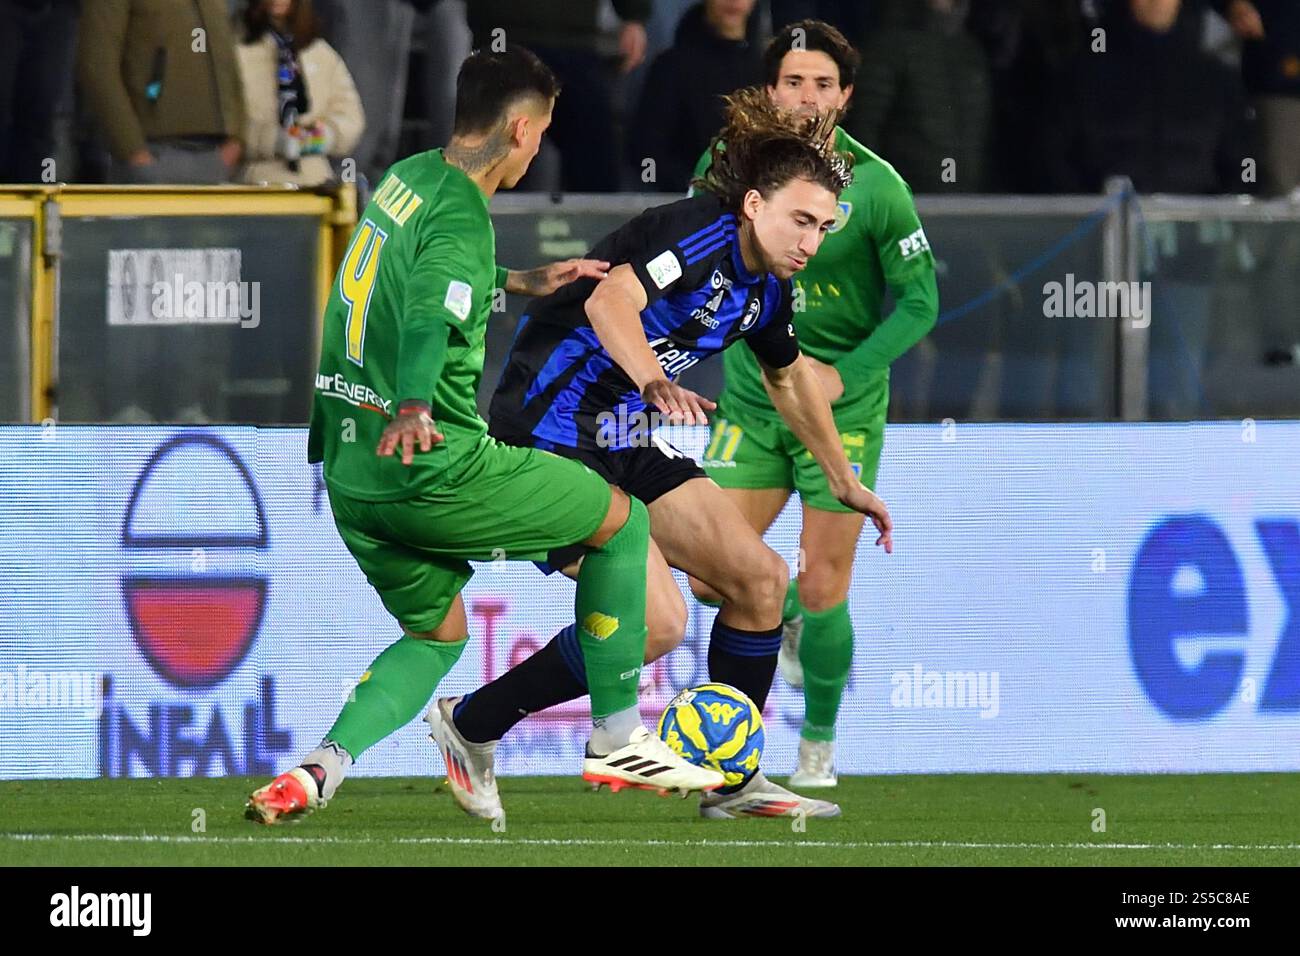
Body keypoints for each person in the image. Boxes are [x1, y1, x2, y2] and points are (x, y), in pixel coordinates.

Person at [246, 46, 723, 825]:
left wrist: (520, 282)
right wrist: (412, 403)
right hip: (430, 463)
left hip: (350, 470)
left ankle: (316, 770)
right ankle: (614, 734)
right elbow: (432, 314)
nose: (541, 146)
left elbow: (419, 278)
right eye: (544, 132)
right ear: (522, 129)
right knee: (621, 518)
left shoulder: (409, 178)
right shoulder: (464, 214)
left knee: (437, 636)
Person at [430, 86, 893, 821]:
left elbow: (791, 380)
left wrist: (844, 481)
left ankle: (730, 782)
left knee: (761, 582)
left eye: (824, 228)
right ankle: (474, 723)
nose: (810, 241)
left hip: (623, 434)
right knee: (659, 622)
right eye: (800, 220)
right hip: (551, 430)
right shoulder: (696, 235)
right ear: (752, 206)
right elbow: (608, 301)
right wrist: (651, 378)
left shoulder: (768, 289)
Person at [691, 20, 938, 786]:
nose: (807, 97)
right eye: (793, 81)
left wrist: (844, 374)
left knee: (828, 585)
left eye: (823, 84)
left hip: (843, 408)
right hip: (750, 400)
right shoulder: (725, 167)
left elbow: (920, 302)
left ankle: (817, 751)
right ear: (771, 89)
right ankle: (784, 609)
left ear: (847, 96)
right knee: (708, 576)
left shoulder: (879, 187)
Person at [77, 0, 245, 184]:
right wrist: (132, 151)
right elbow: (97, 67)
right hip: (152, 154)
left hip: (217, 159)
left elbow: (230, 66)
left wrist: (236, 141)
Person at [629, 0, 760, 192]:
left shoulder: (767, 70)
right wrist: (693, 187)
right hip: (682, 204)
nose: (733, 1)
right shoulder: (671, 67)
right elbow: (645, 151)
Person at [235, 0, 364, 186]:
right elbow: (225, 124)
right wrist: (273, 141)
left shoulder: (319, 53)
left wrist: (320, 138)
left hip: (314, 182)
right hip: (255, 182)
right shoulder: (237, 51)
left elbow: (351, 118)